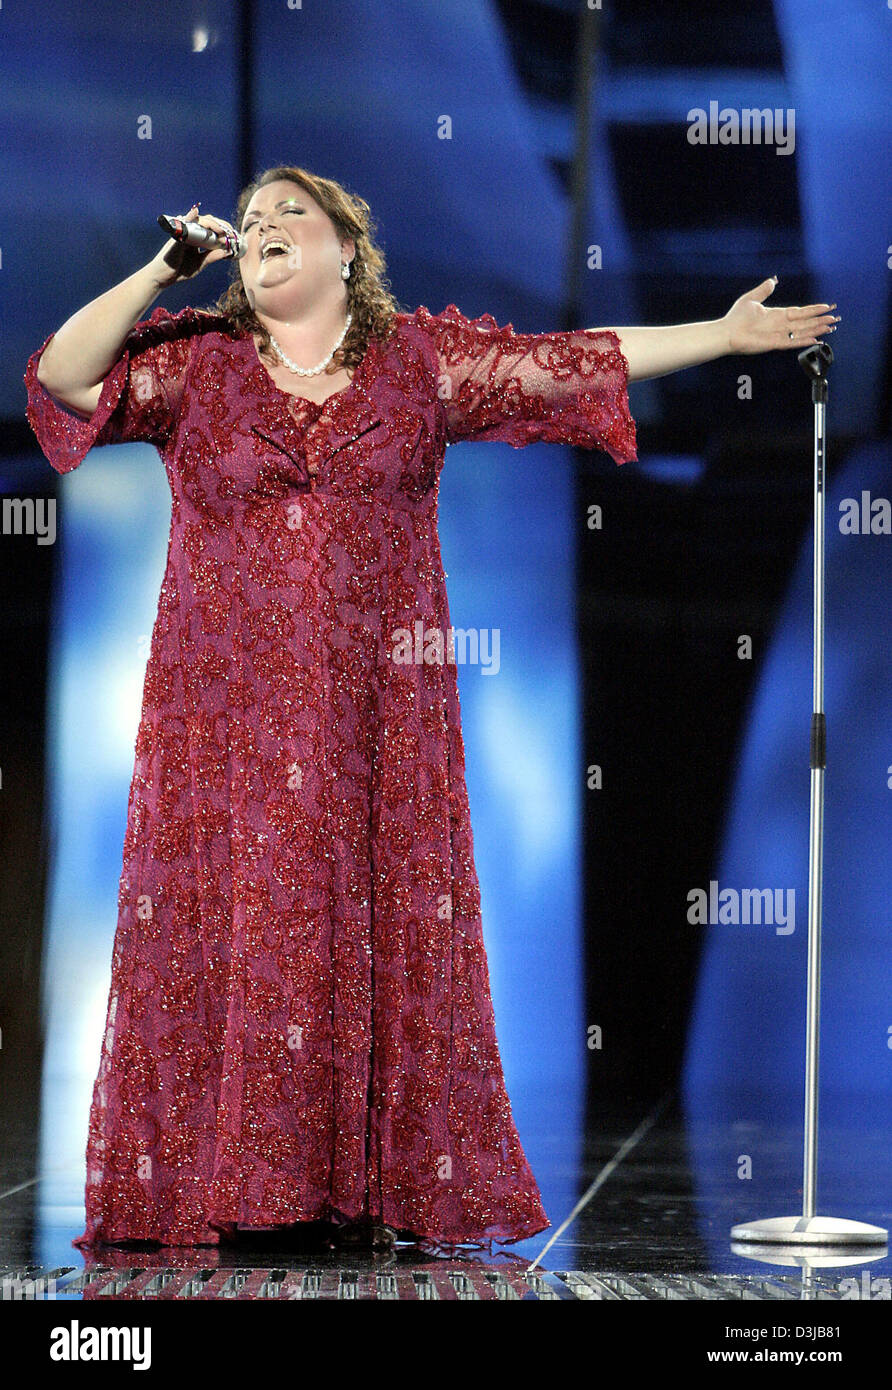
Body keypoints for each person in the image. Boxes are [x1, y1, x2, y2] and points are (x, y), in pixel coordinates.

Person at [24, 164, 839, 1257]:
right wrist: (168, 264)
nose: (261, 228)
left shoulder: (415, 364)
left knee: (360, 930)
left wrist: (724, 336)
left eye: (287, 217)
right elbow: (67, 376)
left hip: (374, 730)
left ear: (345, 250)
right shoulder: (198, 368)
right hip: (223, 727)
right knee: (237, 929)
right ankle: (232, 1189)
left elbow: (567, 366)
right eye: (251, 219)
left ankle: (357, 1184)